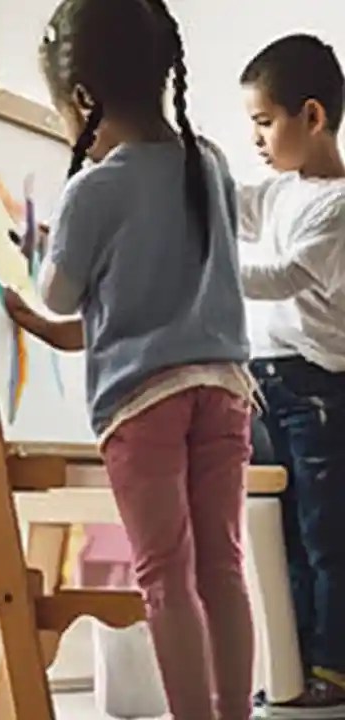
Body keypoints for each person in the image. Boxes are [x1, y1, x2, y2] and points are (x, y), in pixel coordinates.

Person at [4, 0, 257, 717]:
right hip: (225, 388)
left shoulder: (95, 188)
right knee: (222, 568)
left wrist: (51, 250)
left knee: (165, 577)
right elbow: (159, 299)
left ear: (82, 100)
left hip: (143, 406)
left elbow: (59, 293)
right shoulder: (207, 163)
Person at [234, 34, 345, 714]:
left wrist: (203, 266)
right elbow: (231, 204)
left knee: (325, 535)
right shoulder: (280, 191)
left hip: (317, 391)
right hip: (267, 384)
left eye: (264, 122)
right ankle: (292, 664)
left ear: (312, 116)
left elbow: (279, 279)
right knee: (279, 535)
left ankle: (333, 666)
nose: (257, 138)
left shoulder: (337, 207)